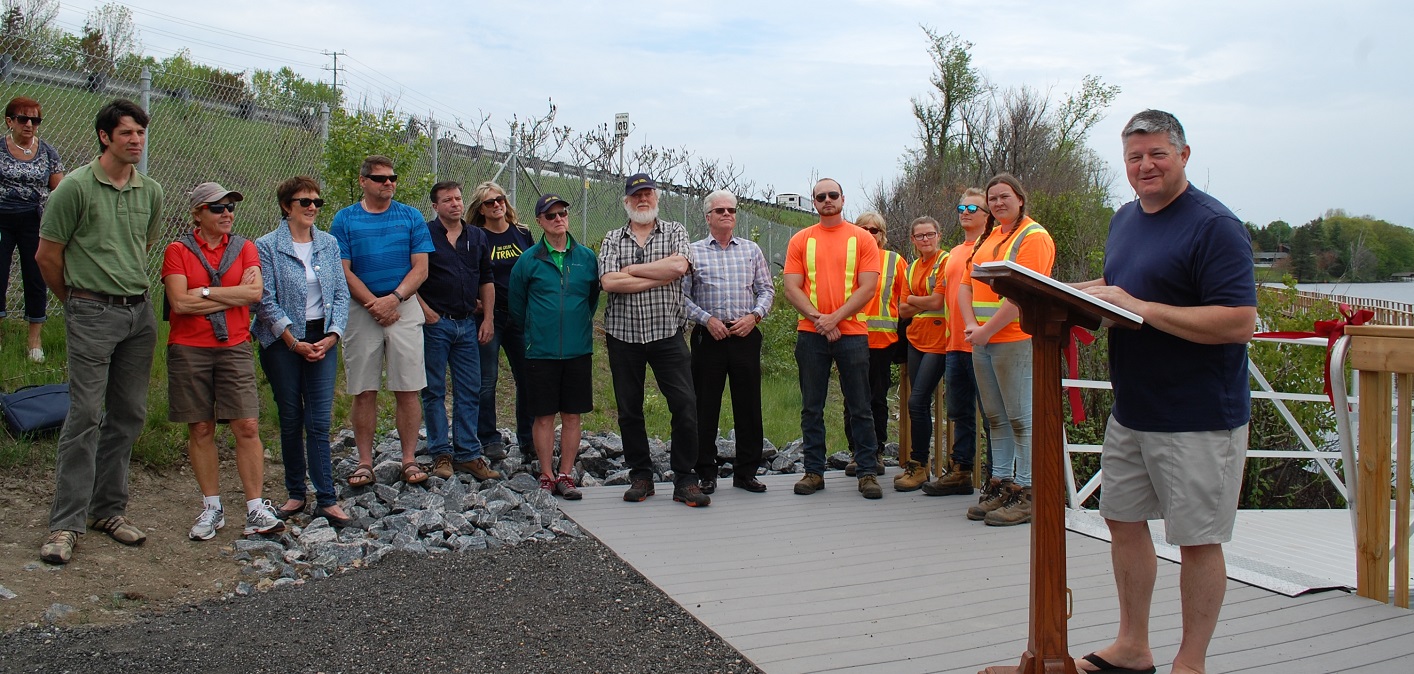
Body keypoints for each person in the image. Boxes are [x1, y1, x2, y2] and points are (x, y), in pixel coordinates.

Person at [1072, 110, 1256, 674]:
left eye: (1157, 154)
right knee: (1121, 521)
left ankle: (1190, 662)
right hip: (1133, 409)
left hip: (1198, 415)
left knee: (1198, 541)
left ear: (1183, 155)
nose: (1145, 165)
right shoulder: (1124, 218)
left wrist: (1142, 309)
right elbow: (1128, 291)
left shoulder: (1214, 226)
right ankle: (1133, 647)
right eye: (1134, 156)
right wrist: (1077, 293)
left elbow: (1238, 321)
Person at [35, 99, 163, 565]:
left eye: (141, 133)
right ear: (105, 136)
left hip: (138, 314)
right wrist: (76, 302)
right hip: (90, 311)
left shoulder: (150, 191)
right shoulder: (73, 188)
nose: (136, 141)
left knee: (128, 413)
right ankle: (65, 523)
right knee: (85, 414)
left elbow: (141, 246)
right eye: (127, 133)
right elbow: (48, 256)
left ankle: (108, 510)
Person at [162, 183, 285, 540]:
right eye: (218, 208)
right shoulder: (177, 250)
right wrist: (230, 297)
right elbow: (179, 304)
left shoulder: (245, 247)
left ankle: (256, 507)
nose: (227, 213)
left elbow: (255, 294)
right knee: (201, 427)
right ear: (198, 213)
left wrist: (202, 292)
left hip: (234, 345)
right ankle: (212, 507)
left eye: (231, 207)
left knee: (246, 424)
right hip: (189, 346)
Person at [598, 173, 707, 507]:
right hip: (623, 335)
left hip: (667, 334)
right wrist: (653, 276)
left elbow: (678, 266)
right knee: (629, 410)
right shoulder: (613, 238)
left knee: (685, 407)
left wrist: (631, 270)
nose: (642, 199)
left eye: (647, 193)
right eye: (636, 195)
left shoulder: (675, 231)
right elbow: (609, 283)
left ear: (656, 197)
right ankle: (641, 475)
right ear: (627, 202)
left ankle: (685, 478)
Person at [254, 176, 353, 527]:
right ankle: (296, 493)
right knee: (291, 417)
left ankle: (326, 498)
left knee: (319, 420)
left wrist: (333, 335)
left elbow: (341, 294)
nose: (312, 207)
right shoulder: (266, 246)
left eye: (317, 202)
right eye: (304, 202)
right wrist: (292, 340)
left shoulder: (328, 243)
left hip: (322, 337)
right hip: (283, 340)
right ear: (286, 206)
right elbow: (264, 299)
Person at [330, 155, 434, 488]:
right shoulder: (344, 219)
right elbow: (343, 270)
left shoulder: (411, 217)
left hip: (403, 307)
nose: (388, 183)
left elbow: (421, 267)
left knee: (408, 387)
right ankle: (364, 461)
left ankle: (408, 458)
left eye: (392, 178)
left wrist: (395, 299)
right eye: (380, 179)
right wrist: (373, 303)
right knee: (364, 389)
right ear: (363, 181)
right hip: (362, 311)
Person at [959, 173, 1055, 526]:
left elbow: (1024, 295)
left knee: (1020, 419)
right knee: (996, 418)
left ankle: (1028, 491)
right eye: (993, 198)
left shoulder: (1034, 237)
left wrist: (985, 330)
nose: (999, 203)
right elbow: (965, 285)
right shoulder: (989, 237)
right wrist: (973, 326)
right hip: (983, 340)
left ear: (1020, 198)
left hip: (1015, 337)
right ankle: (1001, 482)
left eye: (1005, 197)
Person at [783, 178, 884, 500]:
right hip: (811, 335)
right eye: (820, 196)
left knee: (860, 406)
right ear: (813, 202)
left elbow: (868, 287)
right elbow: (791, 288)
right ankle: (814, 471)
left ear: (843, 199)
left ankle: (867, 472)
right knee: (812, 407)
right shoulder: (801, 239)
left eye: (833, 195)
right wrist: (820, 320)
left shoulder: (862, 239)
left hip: (852, 334)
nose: (827, 200)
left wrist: (835, 319)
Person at [509, 193, 600, 500]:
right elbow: (517, 306)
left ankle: (566, 473)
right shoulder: (528, 260)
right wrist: (538, 331)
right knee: (544, 415)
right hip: (541, 351)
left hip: (578, 350)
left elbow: (591, 300)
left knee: (572, 415)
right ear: (540, 222)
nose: (558, 219)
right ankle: (546, 473)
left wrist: (577, 327)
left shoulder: (586, 257)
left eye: (562, 213)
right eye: (551, 215)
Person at [684, 189, 774, 494]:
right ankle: (705, 471)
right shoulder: (693, 252)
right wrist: (707, 319)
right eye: (720, 210)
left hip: (744, 334)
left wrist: (755, 316)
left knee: (748, 405)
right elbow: (681, 298)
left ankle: (746, 472)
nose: (726, 215)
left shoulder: (751, 251)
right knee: (704, 405)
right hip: (708, 337)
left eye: (731, 211)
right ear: (708, 216)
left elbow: (766, 290)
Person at [419, 180, 502, 482]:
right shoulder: (424, 235)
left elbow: (486, 278)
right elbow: (411, 274)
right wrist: (424, 310)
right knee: (433, 390)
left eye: (458, 198)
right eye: (447, 200)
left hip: (468, 324)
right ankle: (441, 453)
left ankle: (468, 453)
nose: (454, 204)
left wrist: (489, 318)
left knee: (470, 389)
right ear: (435, 206)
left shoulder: (476, 236)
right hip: (435, 324)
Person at [922, 188, 990, 497]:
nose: (965, 212)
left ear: (987, 215)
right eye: (961, 207)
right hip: (955, 345)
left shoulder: (992, 246)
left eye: (973, 208)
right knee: (960, 412)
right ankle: (962, 471)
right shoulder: (955, 253)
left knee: (992, 415)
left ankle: (999, 479)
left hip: (985, 343)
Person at [467, 181, 534, 461]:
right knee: (487, 380)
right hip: (488, 316)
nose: (496, 205)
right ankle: (488, 438)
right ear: (480, 210)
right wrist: (473, 302)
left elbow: (534, 268)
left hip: (521, 314)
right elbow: (466, 272)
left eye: (500, 199)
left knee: (528, 378)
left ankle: (529, 439)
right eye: (489, 202)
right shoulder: (474, 236)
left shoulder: (522, 233)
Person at [0, 96, 64, 363]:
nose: (29, 124)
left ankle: (34, 341)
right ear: (9, 121)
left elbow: (60, 190)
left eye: (35, 120)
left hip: (35, 221)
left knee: (36, 278)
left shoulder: (48, 153)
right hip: (1, 218)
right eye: (23, 119)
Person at [846, 212, 908, 484]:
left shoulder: (895, 262)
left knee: (876, 399)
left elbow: (905, 303)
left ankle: (877, 451)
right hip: (849, 338)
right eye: (864, 229)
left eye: (875, 230)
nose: (870, 234)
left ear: (883, 235)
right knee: (851, 400)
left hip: (882, 341)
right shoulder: (846, 260)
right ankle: (857, 452)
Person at [897, 216, 949, 491]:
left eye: (930, 234)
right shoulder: (912, 267)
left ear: (939, 235)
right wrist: (919, 303)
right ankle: (918, 466)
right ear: (913, 240)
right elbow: (901, 309)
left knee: (917, 402)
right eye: (920, 236)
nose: (925, 240)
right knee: (917, 404)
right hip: (916, 338)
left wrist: (915, 301)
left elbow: (938, 301)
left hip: (939, 341)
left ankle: (920, 463)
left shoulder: (945, 262)